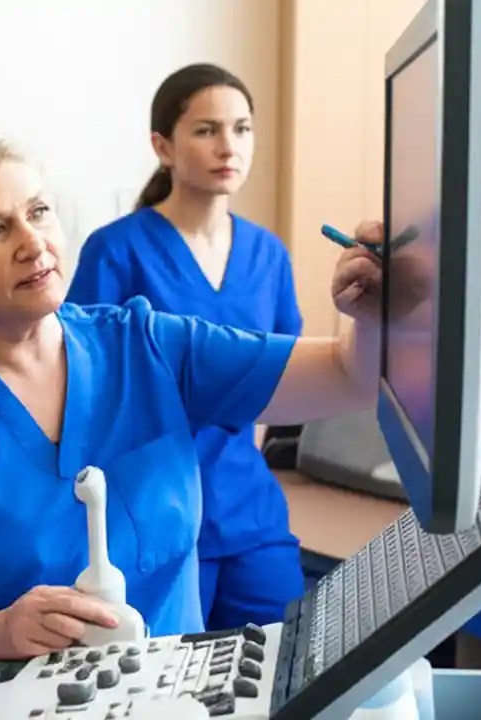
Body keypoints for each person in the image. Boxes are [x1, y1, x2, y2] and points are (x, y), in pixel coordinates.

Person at [0, 127, 390, 719]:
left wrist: (371, 312)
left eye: (38, 212)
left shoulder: (147, 346)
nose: (33, 243)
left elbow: (346, 374)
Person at [66, 63, 305, 631]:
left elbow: (282, 383)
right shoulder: (116, 251)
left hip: (249, 515)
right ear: (163, 147)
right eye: (206, 130)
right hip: (152, 518)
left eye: (242, 129)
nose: (229, 146)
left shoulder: (267, 255)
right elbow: (81, 385)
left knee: (286, 671)